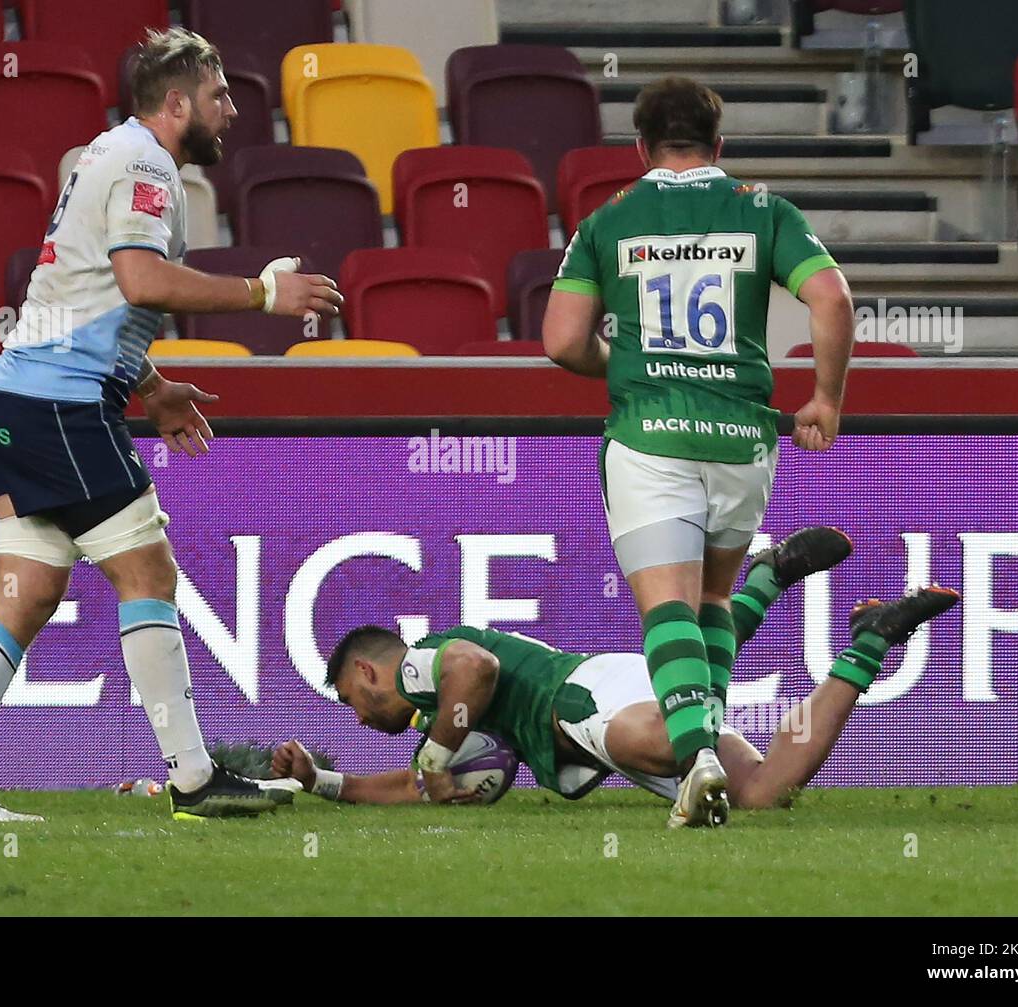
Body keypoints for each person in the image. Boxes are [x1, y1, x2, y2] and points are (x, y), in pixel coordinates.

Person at [0, 28, 339, 823]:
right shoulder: (144, 166)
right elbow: (140, 278)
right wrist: (261, 295)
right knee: (148, 576)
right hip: (59, 409)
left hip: (7, 401)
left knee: (26, 593)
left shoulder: (111, 155)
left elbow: (86, 295)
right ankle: (193, 777)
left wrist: (151, 386)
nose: (232, 107)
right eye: (218, 95)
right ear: (177, 103)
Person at [542, 76, 857, 826]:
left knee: (669, 609)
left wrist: (617, 364)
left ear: (640, 148)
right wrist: (825, 399)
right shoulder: (762, 209)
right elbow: (834, 300)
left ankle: (696, 758)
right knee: (712, 599)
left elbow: (559, 341)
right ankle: (702, 751)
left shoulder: (609, 222)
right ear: (719, 146)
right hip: (743, 438)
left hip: (652, 436)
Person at [274, 531, 960, 822]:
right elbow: (420, 785)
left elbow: (475, 669)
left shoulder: (426, 660)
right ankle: (870, 644)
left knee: (672, 741)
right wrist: (320, 783)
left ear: (368, 668)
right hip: (609, 703)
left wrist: (434, 755)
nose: (358, 716)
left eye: (351, 700)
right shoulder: (437, 713)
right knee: (761, 791)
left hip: (586, 700)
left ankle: (762, 580)